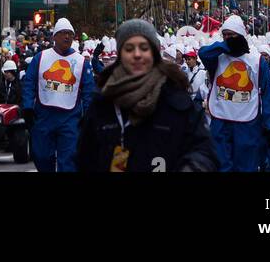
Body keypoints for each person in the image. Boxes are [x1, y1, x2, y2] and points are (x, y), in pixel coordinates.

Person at [77, 20, 218, 173]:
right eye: (129, 48)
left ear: (155, 53)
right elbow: (84, 156)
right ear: (120, 54)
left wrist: (192, 167)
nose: (137, 54)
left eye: (144, 48)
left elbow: (203, 150)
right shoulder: (103, 102)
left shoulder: (176, 99)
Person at [198, 13, 270, 172]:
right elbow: (203, 53)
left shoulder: (257, 61)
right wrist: (225, 45)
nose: (228, 38)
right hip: (221, 119)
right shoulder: (217, 57)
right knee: (221, 166)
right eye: (225, 35)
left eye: (232, 35)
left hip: (248, 122)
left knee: (246, 167)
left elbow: (267, 95)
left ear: (241, 36)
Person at [21, 17, 94, 172]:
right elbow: (29, 83)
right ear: (54, 37)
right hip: (44, 116)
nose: (66, 37)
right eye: (62, 33)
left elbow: (89, 92)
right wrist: (27, 107)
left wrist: (87, 116)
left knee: (69, 160)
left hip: (70, 118)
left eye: (69, 34)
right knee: (41, 156)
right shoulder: (40, 58)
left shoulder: (81, 62)